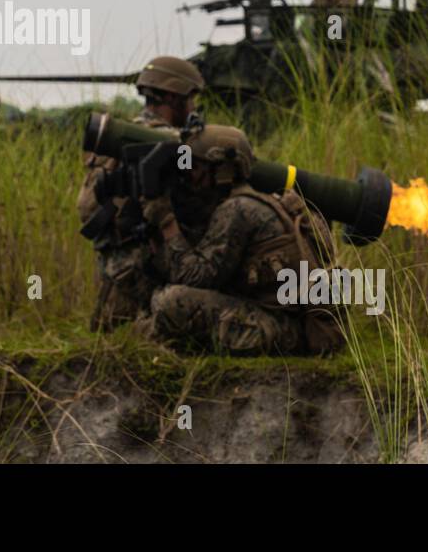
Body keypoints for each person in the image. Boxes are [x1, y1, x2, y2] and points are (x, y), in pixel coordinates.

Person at [138, 123, 346, 356]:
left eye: (197, 167)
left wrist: (166, 223)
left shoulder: (238, 209)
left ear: (223, 170)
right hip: (292, 319)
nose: (190, 175)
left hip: (288, 329)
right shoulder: (263, 195)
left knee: (172, 302)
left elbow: (194, 277)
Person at [79, 56, 204, 331]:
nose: (193, 107)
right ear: (173, 96)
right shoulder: (166, 144)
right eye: (190, 98)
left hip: (112, 265)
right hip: (147, 269)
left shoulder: (121, 136)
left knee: (110, 345)